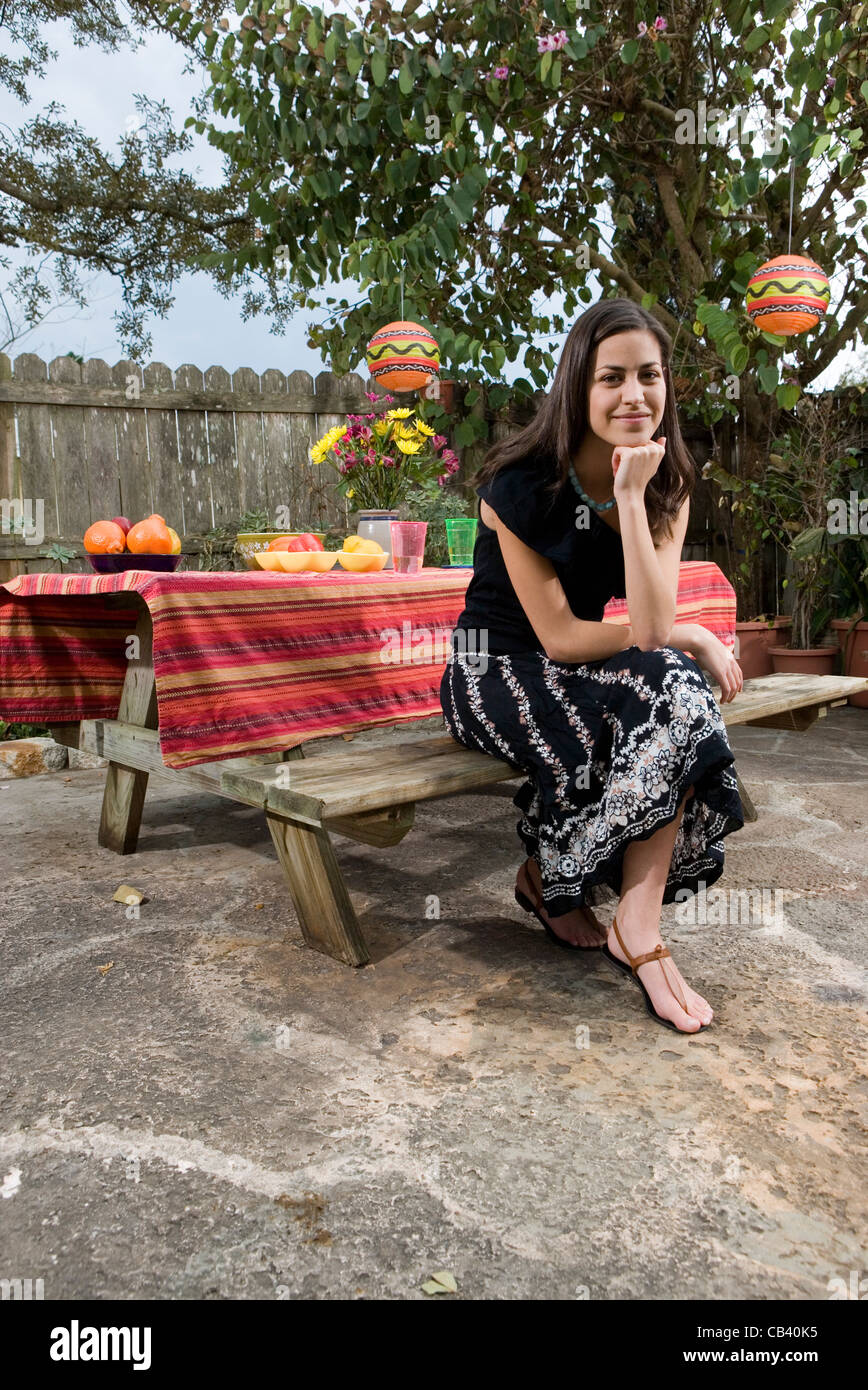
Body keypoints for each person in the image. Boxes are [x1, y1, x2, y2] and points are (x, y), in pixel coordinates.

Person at [440, 300, 746, 1035]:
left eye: (649, 376)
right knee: (668, 676)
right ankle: (555, 879)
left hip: (571, 670)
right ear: (579, 387)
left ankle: (633, 921)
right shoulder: (520, 484)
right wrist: (691, 633)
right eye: (612, 378)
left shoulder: (666, 482)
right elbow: (562, 639)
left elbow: (644, 628)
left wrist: (635, 498)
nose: (634, 395)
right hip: (494, 671)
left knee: (672, 688)